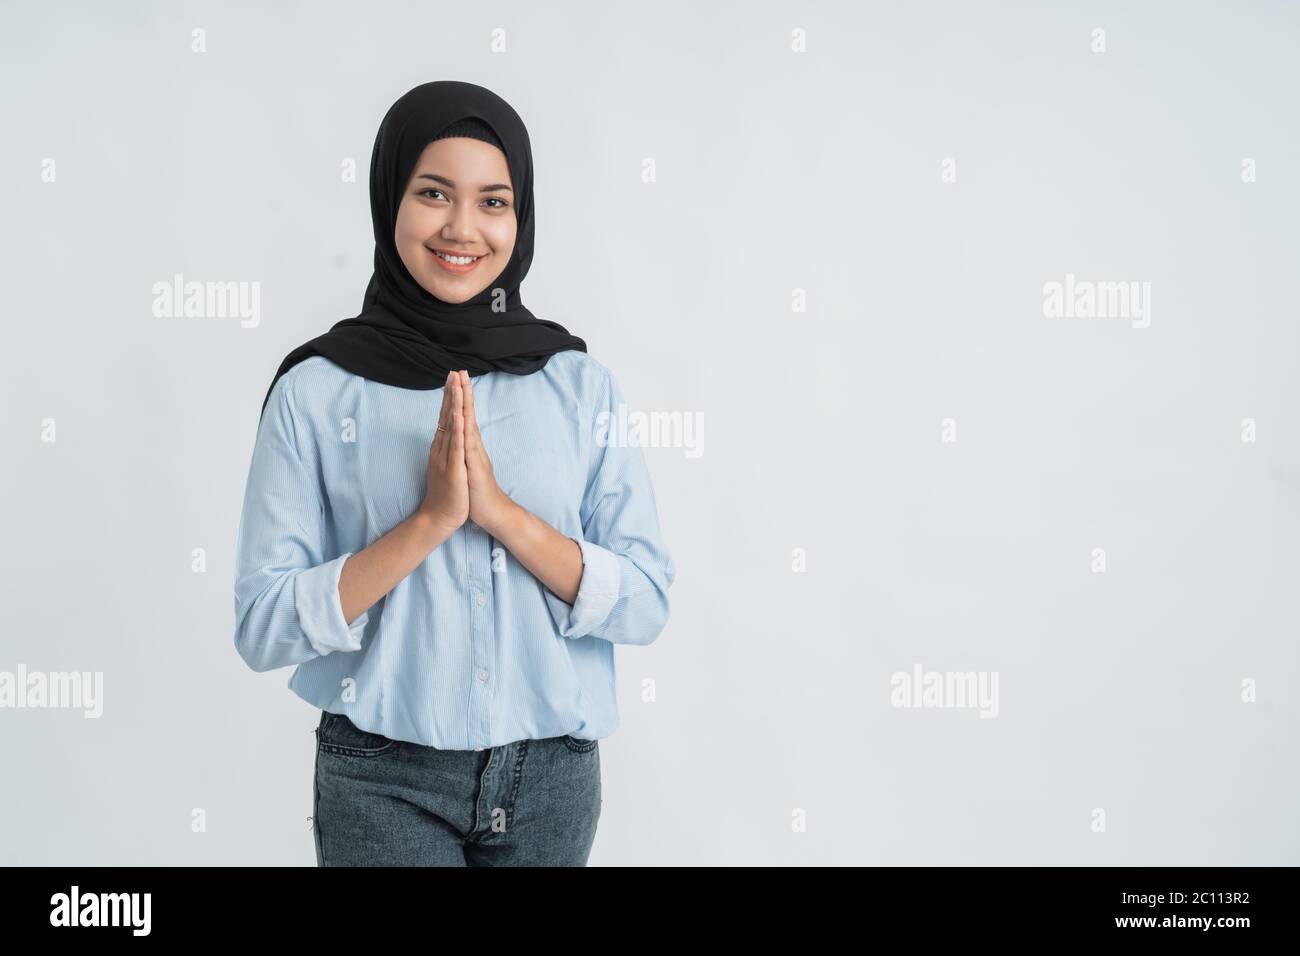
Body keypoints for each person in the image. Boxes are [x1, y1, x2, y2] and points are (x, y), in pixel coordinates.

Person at [232, 80, 676, 866]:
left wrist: (502, 514)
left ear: (521, 215)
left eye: (493, 201)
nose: (462, 228)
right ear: (389, 199)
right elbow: (263, 626)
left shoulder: (578, 385)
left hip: (552, 781)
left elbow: (644, 603)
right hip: (382, 780)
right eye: (433, 193)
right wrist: (430, 522)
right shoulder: (317, 389)